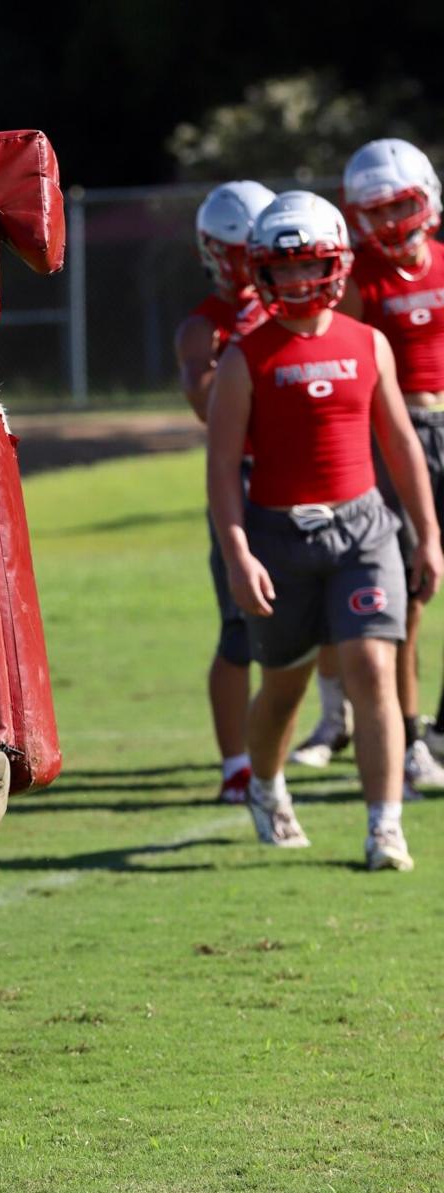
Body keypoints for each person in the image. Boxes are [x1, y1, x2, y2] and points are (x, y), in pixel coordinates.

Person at [207, 190, 442, 870]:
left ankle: (384, 826)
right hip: (278, 537)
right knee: (284, 684)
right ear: (262, 272)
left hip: (364, 531)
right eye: (285, 270)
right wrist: (238, 551)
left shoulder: (369, 343)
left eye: (312, 265)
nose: (300, 282)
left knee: (373, 664)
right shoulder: (241, 357)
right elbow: (222, 469)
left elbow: (401, 448)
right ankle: (268, 785)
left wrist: (427, 534)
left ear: (336, 265)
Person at [291, 141, 444, 794]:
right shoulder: (355, 285)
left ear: (427, 197)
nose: (391, 223)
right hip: (394, 440)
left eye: (401, 206)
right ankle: (408, 738)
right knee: (405, 596)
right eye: (376, 212)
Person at [174, 180, 274, 803]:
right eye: (234, 250)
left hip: (302, 474)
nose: (245, 263)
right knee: (240, 632)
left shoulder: (297, 305)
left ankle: (324, 727)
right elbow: (208, 408)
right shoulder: (203, 326)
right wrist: (239, 342)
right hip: (241, 480)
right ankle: (236, 763)